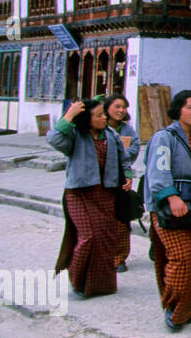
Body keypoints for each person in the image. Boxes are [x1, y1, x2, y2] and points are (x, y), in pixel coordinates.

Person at [144, 90, 191, 331]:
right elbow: (158, 171)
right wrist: (172, 196)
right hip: (169, 207)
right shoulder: (164, 138)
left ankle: (184, 309)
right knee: (180, 256)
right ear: (178, 110)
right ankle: (174, 310)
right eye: (190, 107)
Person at [46, 99, 132, 297]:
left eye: (103, 114)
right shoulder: (75, 136)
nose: (104, 118)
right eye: (99, 115)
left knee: (105, 240)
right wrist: (69, 115)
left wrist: (127, 177)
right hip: (79, 194)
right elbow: (53, 139)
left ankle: (100, 285)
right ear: (87, 119)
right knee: (88, 237)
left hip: (105, 194)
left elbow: (123, 159)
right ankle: (78, 278)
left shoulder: (110, 135)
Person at [103, 93, 140, 272]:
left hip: (122, 177)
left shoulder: (127, 130)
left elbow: (132, 151)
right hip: (101, 179)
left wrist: (126, 175)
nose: (121, 110)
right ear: (106, 108)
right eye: (117, 106)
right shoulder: (99, 127)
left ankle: (119, 258)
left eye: (123, 107)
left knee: (121, 219)